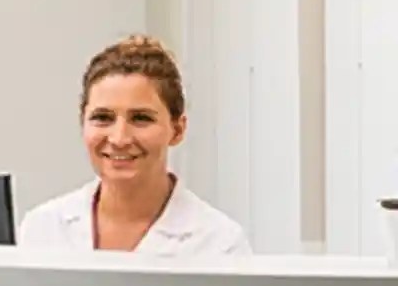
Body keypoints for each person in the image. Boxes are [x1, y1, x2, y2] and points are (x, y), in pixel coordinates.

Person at [18, 34, 251, 255]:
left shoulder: (220, 244)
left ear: (177, 130)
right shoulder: (43, 230)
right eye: (103, 118)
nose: (119, 139)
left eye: (141, 118)